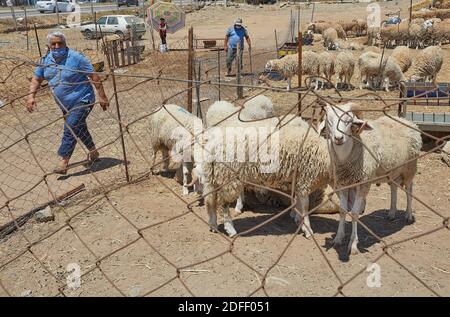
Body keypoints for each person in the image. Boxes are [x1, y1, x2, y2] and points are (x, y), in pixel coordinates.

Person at [26, 31, 109, 175]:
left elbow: (94, 76)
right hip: (64, 104)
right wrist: (31, 96)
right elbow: (36, 79)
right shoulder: (45, 60)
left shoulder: (76, 58)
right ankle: (94, 152)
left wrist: (102, 96)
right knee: (78, 126)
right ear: (49, 46)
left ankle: (64, 161)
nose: (57, 46)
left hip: (83, 99)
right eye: (54, 44)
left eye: (60, 43)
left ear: (65, 44)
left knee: (71, 126)